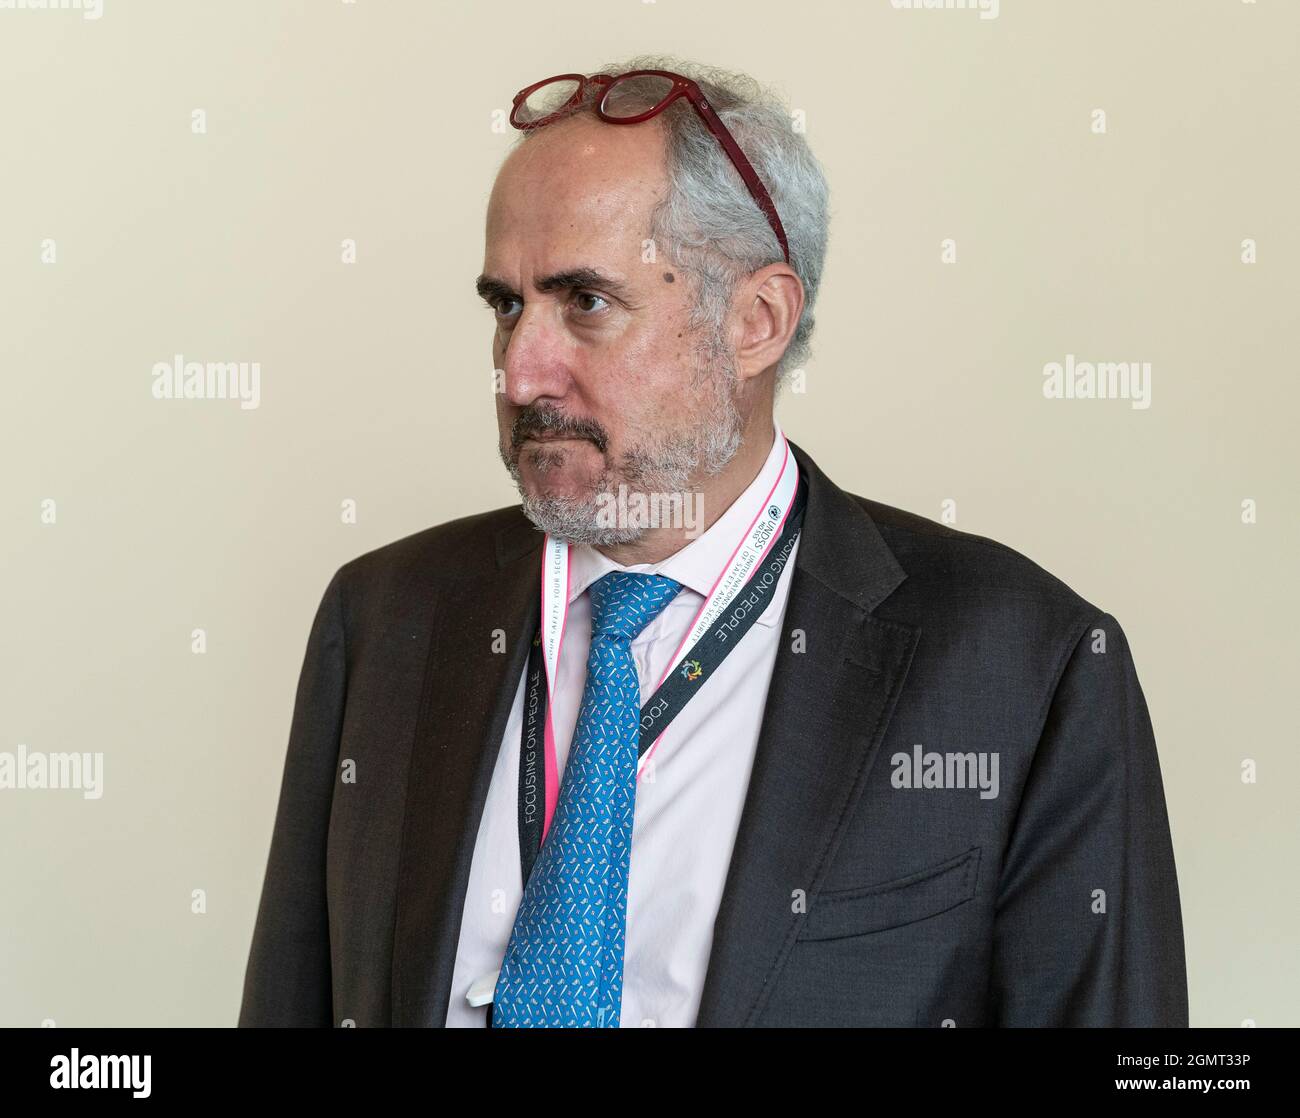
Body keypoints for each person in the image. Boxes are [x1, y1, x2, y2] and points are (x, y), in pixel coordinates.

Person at [238, 56, 1188, 1028]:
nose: (519, 371)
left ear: (756, 321)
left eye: (586, 303)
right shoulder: (387, 616)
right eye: (507, 305)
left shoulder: (1022, 666)